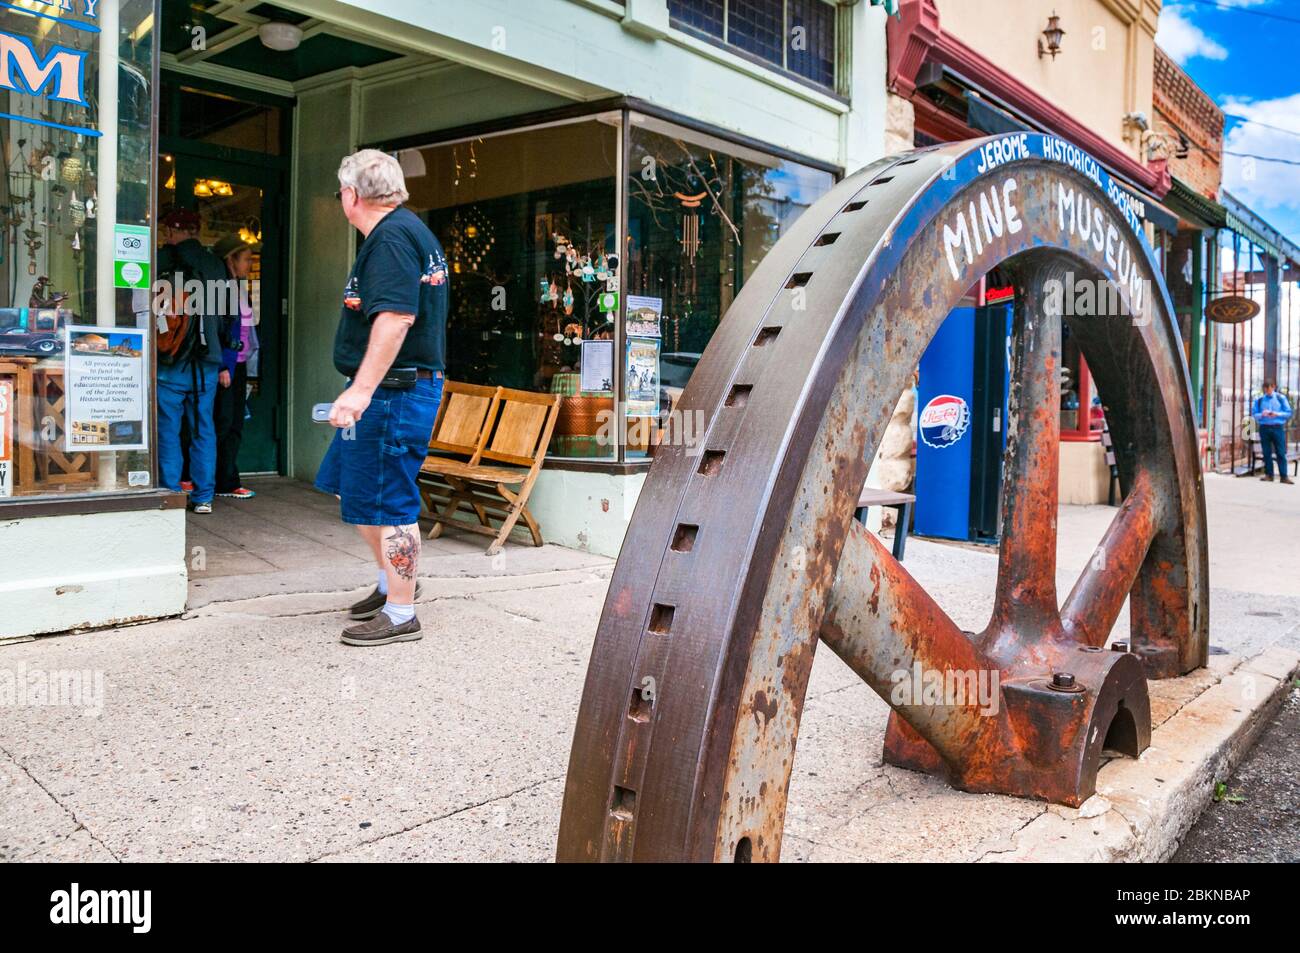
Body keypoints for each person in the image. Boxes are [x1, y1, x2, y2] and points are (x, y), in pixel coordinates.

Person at [314, 149, 448, 647]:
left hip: (394, 393)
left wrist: (360, 391)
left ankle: (400, 613)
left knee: (391, 505)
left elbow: (395, 319)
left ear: (351, 195)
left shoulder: (391, 239)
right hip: (394, 391)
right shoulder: (408, 230)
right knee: (350, 487)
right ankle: (390, 581)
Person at [155, 208, 229, 514]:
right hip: (207, 362)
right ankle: (203, 497)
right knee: (203, 429)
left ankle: (172, 491)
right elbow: (225, 315)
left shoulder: (162, 261)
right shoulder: (215, 264)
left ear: (172, 231)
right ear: (196, 230)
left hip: (170, 363)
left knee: (169, 429)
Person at [212, 233, 260, 499]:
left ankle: (228, 481)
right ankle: (218, 479)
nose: (250, 264)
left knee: (234, 424)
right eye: (246, 259)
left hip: (239, 365)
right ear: (230, 260)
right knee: (223, 422)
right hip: (226, 366)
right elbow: (219, 330)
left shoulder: (240, 288)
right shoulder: (220, 289)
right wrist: (222, 366)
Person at [1252, 379, 1294, 484]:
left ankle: (1284, 476)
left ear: (1273, 387)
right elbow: (1254, 414)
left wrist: (1277, 414)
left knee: (1281, 452)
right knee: (1266, 452)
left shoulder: (1281, 398)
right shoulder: (1260, 400)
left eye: (1269, 388)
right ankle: (1269, 475)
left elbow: (1288, 412)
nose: (1267, 391)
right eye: (1265, 389)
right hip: (1264, 428)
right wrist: (1262, 414)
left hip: (1277, 428)